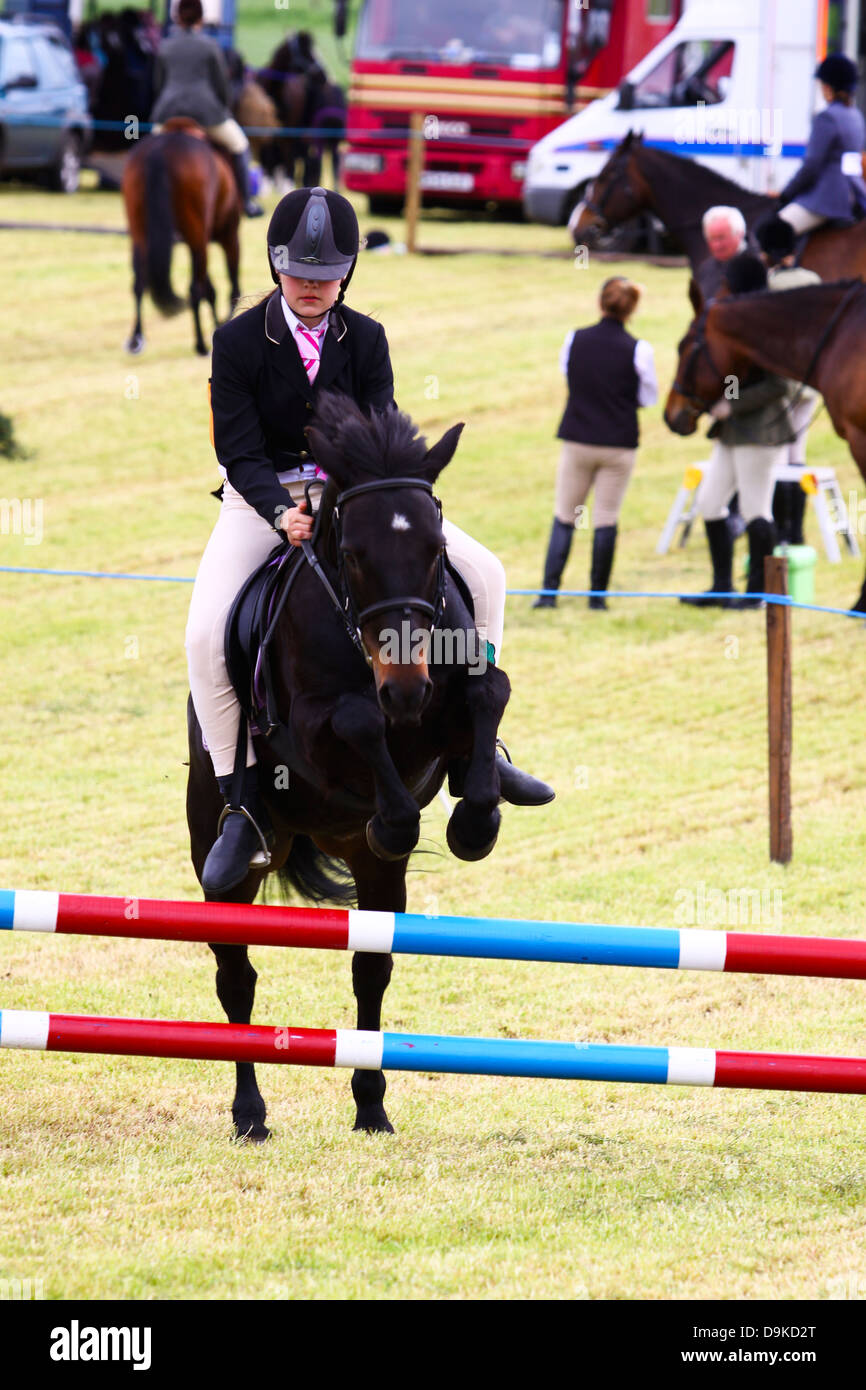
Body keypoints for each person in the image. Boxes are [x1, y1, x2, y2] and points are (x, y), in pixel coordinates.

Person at [186, 186, 554, 893]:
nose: (315, 286)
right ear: (275, 266)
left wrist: (375, 495)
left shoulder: (368, 337)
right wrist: (277, 513)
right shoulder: (236, 343)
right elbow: (238, 449)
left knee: (487, 572)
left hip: (357, 494)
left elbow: (381, 429)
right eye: (301, 273)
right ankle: (244, 801)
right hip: (261, 497)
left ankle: (484, 744)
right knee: (204, 635)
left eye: (328, 275)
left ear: (347, 273)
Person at [681, 253, 797, 610]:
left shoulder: (772, 326)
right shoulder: (737, 322)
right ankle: (721, 587)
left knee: (755, 509)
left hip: (762, 431)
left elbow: (780, 385)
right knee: (710, 502)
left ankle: (758, 593)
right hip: (731, 432)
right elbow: (731, 376)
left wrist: (733, 404)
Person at [533, 277, 657, 611]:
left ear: (600, 302)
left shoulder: (575, 339)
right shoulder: (639, 349)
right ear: (632, 309)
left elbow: (569, 375)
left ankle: (548, 593)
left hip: (578, 439)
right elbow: (648, 396)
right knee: (606, 518)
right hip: (619, 443)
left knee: (565, 514)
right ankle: (597, 597)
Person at [151, 0, 263, 217]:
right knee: (240, 144)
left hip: (168, 113)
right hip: (206, 113)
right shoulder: (210, 46)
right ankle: (247, 202)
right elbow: (222, 86)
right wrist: (224, 108)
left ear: (177, 18)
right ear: (201, 19)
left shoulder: (165, 46)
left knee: (150, 151)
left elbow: (158, 85)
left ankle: (150, 198)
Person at [756, 216, 822, 545]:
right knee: (798, 453)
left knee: (779, 455)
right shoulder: (813, 279)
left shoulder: (768, 285)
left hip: (780, 381)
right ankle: (797, 530)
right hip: (811, 381)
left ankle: (780, 529)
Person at [777, 54, 866, 235]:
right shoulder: (856, 116)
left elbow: (811, 166)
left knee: (772, 230)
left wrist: (786, 194)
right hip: (854, 197)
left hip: (826, 201)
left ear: (829, 86)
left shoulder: (827, 117)